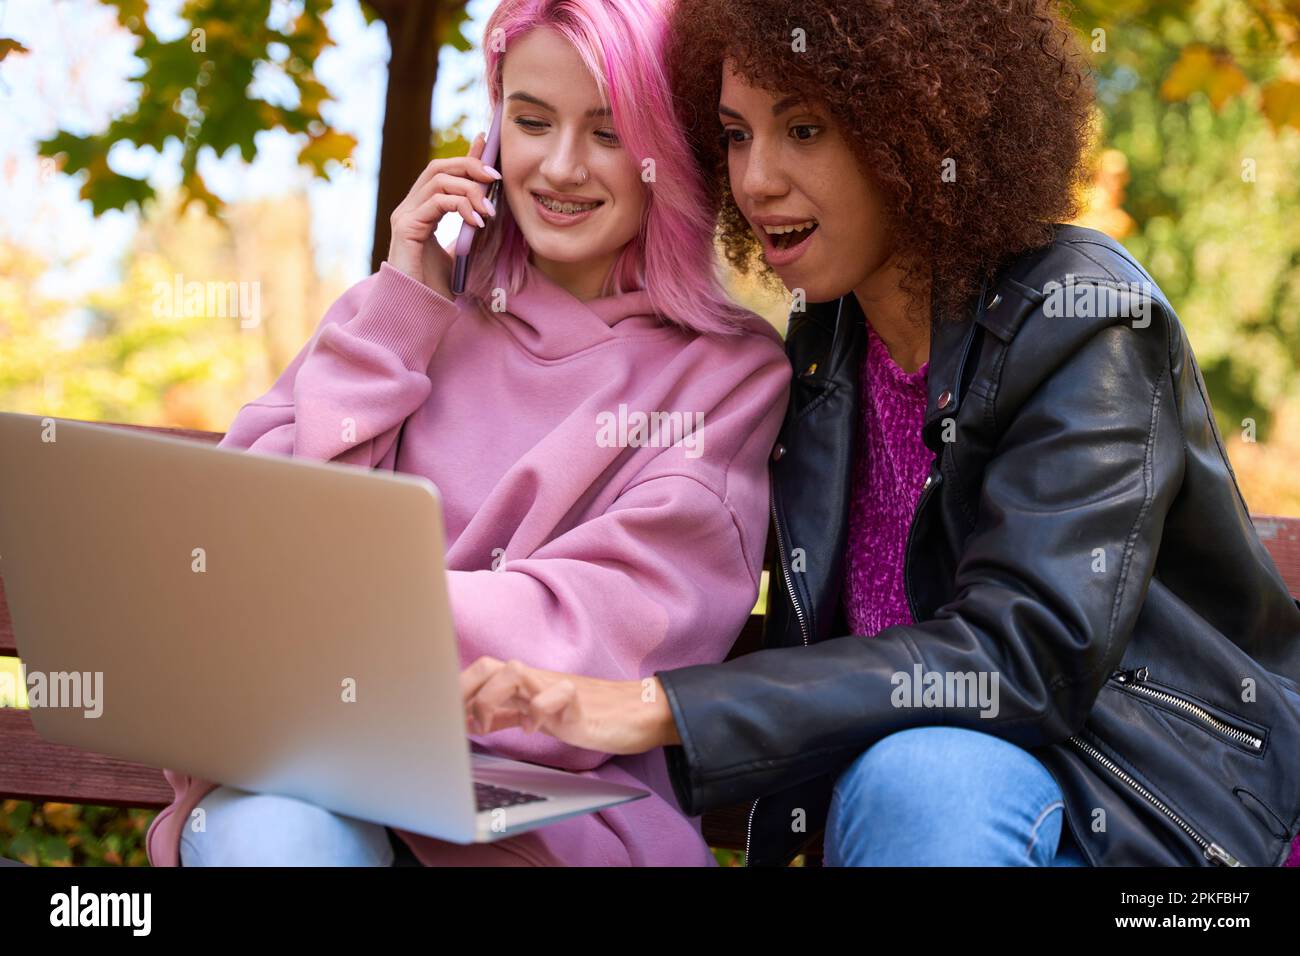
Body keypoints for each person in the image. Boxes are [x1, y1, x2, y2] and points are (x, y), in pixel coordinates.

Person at [462, 0, 1300, 867]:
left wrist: (659, 705)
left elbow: (1022, 654)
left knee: (922, 780)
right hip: (921, 822)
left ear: (913, 126)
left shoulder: (1082, 317)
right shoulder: (821, 353)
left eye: (804, 129)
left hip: (1157, 815)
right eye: (737, 135)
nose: (755, 180)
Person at [145, 0, 791, 867]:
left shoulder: (726, 376)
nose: (559, 167)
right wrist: (399, 310)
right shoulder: (411, 310)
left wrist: (320, 610)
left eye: (607, 133)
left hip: (535, 816)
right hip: (318, 768)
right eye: (529, 121)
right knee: (276, 828)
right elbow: (253, 529)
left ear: (665, 151)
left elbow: (604, 634)